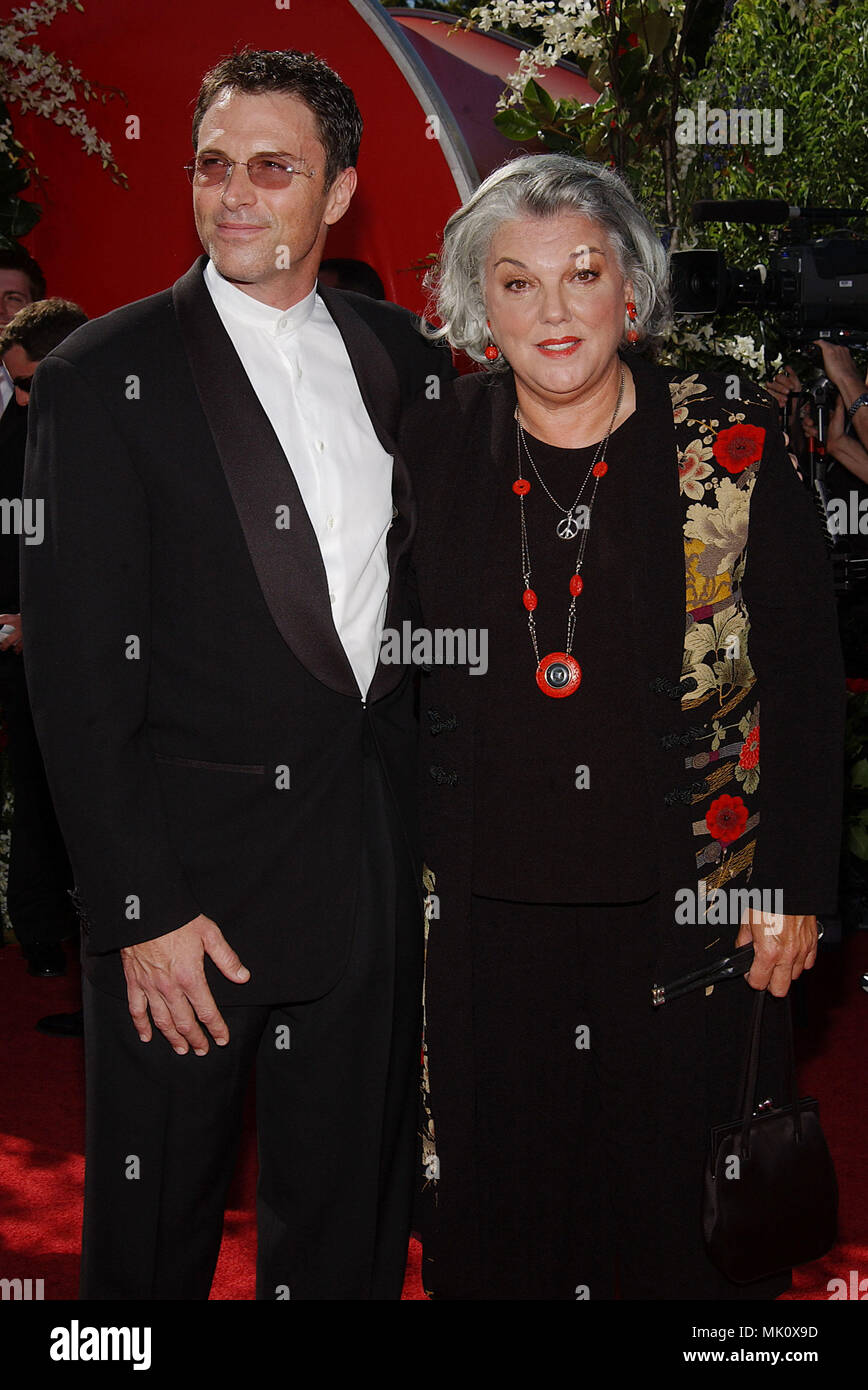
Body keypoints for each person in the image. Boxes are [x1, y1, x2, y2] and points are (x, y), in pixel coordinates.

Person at [22, 47, 453, 1300]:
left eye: (274, 167)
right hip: (183, 893)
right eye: (213, 165)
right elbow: (75, 674)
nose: (235, 195)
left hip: (365, 872)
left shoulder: (407, 360)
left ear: (340, 191)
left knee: (346, 1225)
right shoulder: (98, 377)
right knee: (151, 1240)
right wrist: (137, 909)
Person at [399, 153, 845, 1300]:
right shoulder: (435, 440)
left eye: (582, 274)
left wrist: (793, 884)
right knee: (505, 1207)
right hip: (486, 914)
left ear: (629, 290)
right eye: (515, 282)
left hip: (694, 903)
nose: (553, 310)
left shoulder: (726, 437)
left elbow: (801, 671)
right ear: (473, 307)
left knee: (675, 1219)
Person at [0, 299, 87, 981]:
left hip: (102, 665)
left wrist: (46, 618)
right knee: (40, 798)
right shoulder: (22, 432)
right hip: (40, 663)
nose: (20, 398)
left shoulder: (130, 422)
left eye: (29, 383)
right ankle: (46, 935)